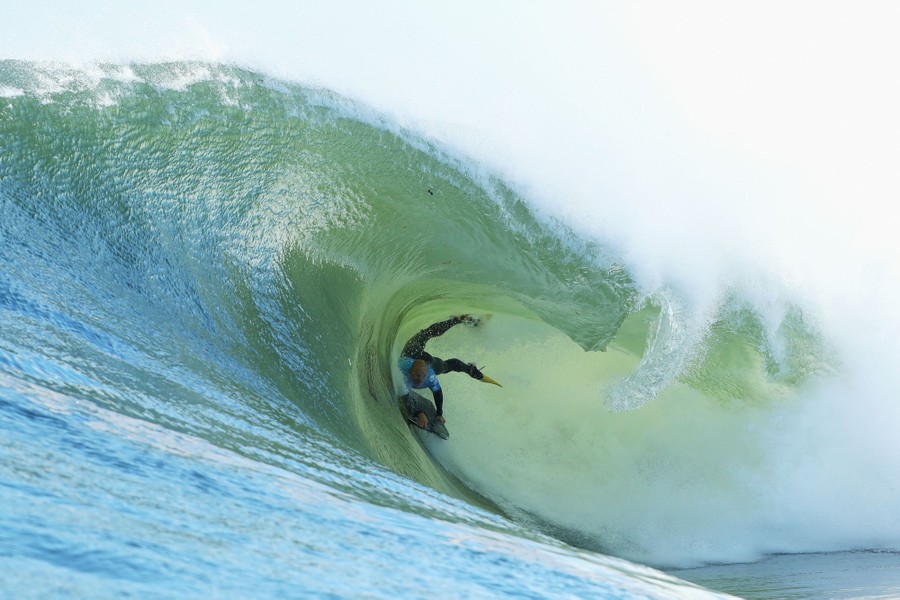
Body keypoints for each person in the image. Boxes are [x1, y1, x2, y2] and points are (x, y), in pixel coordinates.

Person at [398, 314, 498, 430]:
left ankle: (469, 368)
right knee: (425, 334)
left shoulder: (430, 376)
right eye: (417, 376)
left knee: (443, 365)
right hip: (411, 351)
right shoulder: (402, 372)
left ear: (427, 372)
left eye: (422, 376)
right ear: (411, 372)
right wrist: (419, 413)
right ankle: (457, 320)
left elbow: (437, 392)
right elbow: (405, 398)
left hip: (424, 358)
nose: (420, 380)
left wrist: (439, 413)